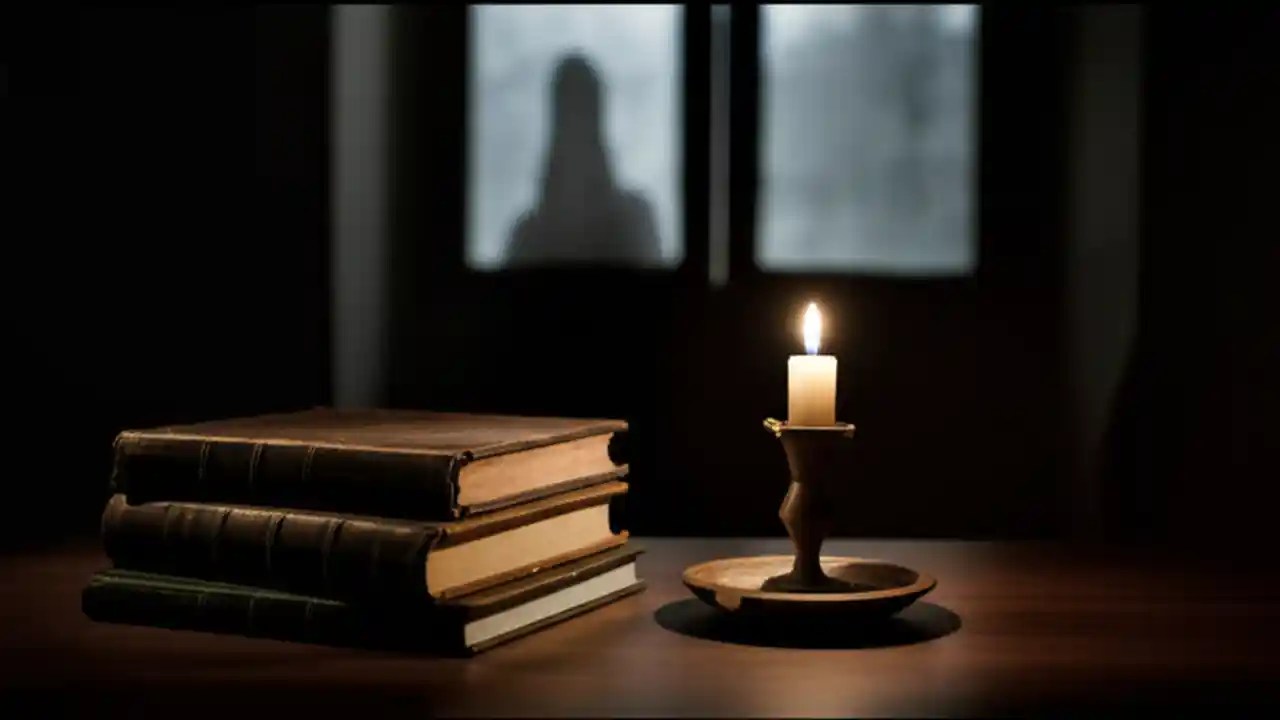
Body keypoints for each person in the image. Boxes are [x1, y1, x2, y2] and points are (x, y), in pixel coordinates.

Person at [505, 54, 662, 268]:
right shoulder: (527, 234)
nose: (577, 126)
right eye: (572, 110)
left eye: (582, 109)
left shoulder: (634, 217)